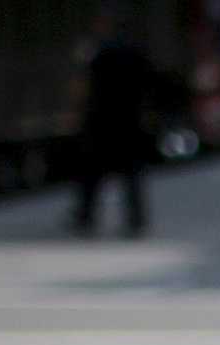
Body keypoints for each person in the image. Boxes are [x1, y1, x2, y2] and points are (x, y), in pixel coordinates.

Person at [68, 10, 154, 239]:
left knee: (92, 171)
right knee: (132, 173)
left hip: (102, 120)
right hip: (129, 119)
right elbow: (148, 83)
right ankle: (136, 218)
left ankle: (84, 215)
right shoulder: (135, 50)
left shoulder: (96, 52)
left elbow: (84, 85)